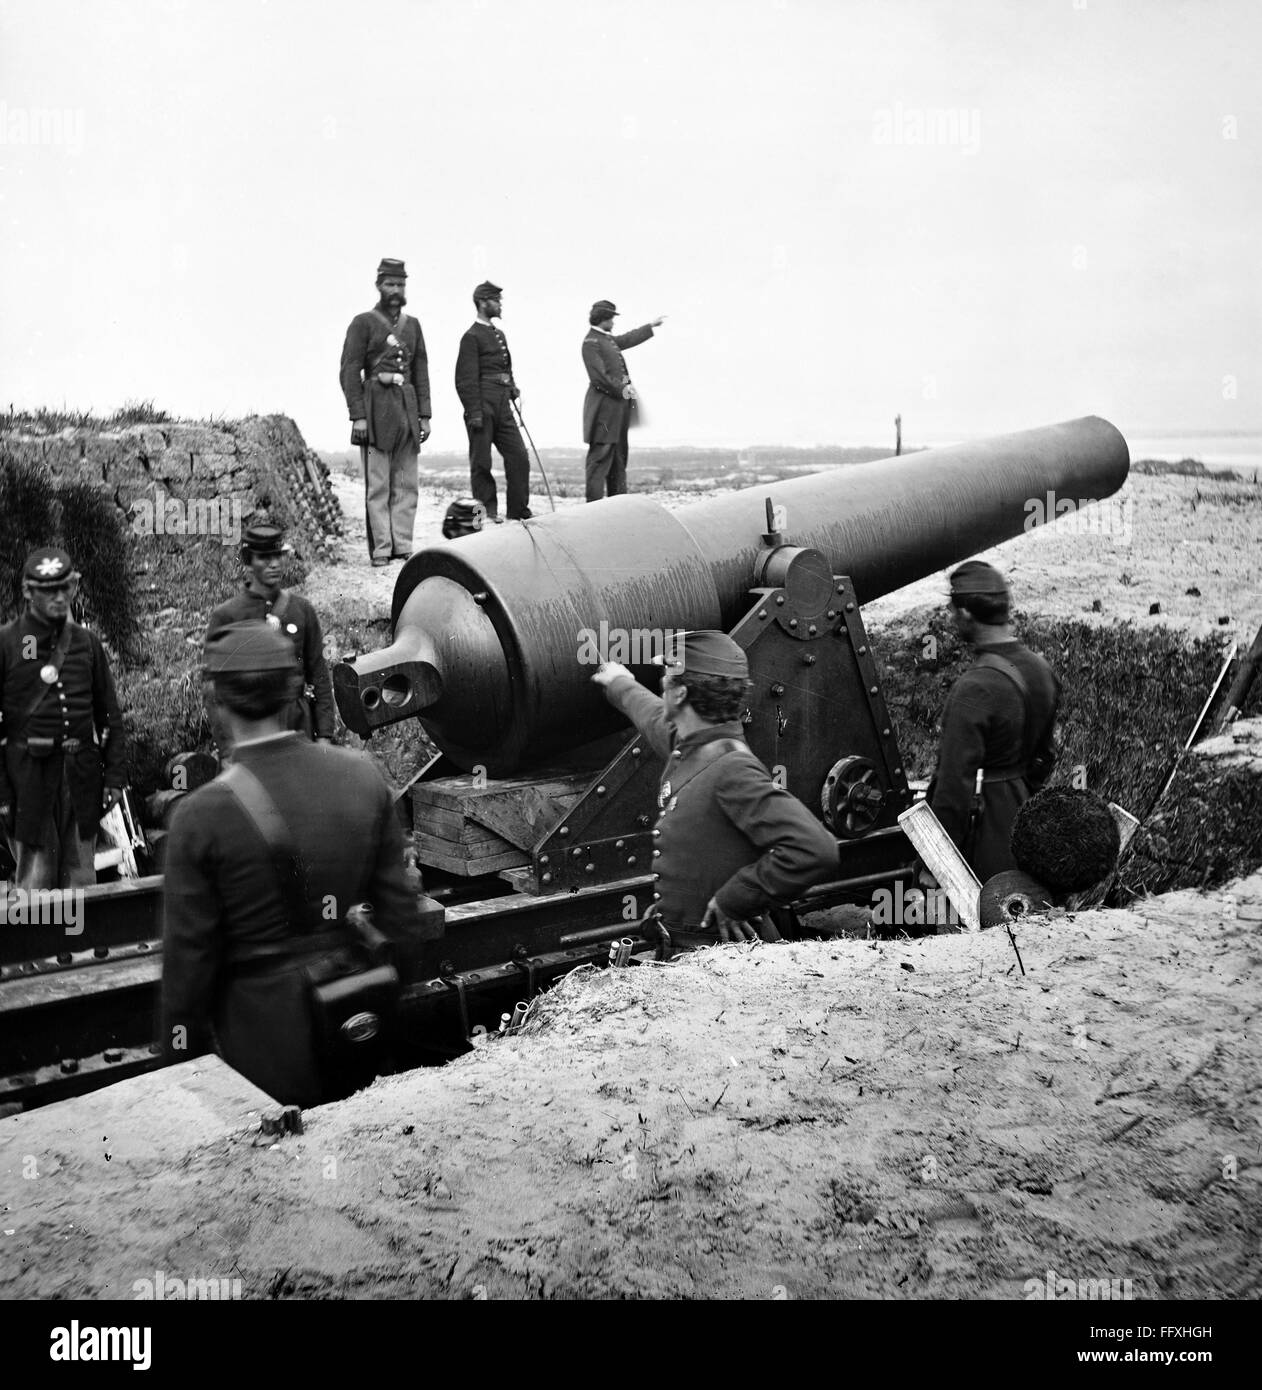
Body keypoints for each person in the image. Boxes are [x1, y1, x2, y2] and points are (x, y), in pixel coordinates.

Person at [160, 622, 421, 1107]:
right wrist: (380, 1000)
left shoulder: (200, 817)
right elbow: (402, 920)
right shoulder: (361, 777)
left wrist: (183, 1069)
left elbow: (187, 971)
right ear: (294, 694)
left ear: (215, 698)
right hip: (354, 1024)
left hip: (260, 1045)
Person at [591, 630, 838, 946]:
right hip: (688, 955)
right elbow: (654, 717)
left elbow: (816, 848)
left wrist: (735, 901)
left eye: (666, 679)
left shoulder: (733, 770)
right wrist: (619, 683)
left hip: (722, 964)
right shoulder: (696, 746)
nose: (662, 686)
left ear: (679, 695)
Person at [0, 548, 127, 891]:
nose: (59, 598)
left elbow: (109, 715)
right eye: (47, 590)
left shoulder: (88, 644)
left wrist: (114, 777)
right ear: (28, 592)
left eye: (64, 588)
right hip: (28, 782)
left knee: (81, 883)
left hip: (81, 779)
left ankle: (82, 946)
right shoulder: (8, 643)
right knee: (36, 888)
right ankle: (40, 946)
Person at [929, 560, 1060, 883]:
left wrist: (936, 862)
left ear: (966, 613)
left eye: (952, 611)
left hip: (983, 835)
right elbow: (1045, 756)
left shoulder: (974, 687)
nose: (951, 619)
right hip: (1027, 824)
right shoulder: (1041, 670)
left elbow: (953, 787)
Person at [206, 523, 335, 747]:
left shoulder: (301, 610)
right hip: (247, 731)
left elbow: (319, 674)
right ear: (248, 562)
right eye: (264, 558)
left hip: (298, 724)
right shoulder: (227, 615)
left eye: (278, 556)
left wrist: (324, 734)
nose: (274, 564)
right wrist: (227, 750)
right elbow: (212, 691)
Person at [339, 257, 432, 566]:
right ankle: (381, 548)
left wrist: (425, 415)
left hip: (407, 410)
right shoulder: (362, 323)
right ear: (379, 285)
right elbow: (350, 370)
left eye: (400, 284)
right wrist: (358, 416)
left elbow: (421, 370)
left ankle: (402, 545)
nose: (395, 290)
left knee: (407, 483)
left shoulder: (413, 326)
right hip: (376, 411)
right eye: (390, 284)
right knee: (379, 485)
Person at [454, 281, 532, 522]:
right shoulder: (471, 336)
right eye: (496, 300)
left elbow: (506, 368)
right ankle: (487, 511)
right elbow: (464, 379)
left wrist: (512, 387)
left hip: (502, 404)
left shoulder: (499, 335)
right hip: (481, 403)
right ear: (482, 302)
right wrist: (475, 412)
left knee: (519, 456)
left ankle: (518, 510)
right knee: (482, 462)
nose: (500, 305)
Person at [582, 300, 665, 502]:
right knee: (600, 458)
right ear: (602, 318)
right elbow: (598, 378)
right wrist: (623, 389)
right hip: (604, 411)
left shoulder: (606, 340)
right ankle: (592, 507)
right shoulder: (591, 342)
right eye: (611, 318)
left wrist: (650, 326)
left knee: (619, 459)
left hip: (617, 410)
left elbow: (628, 339)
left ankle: (617, 505)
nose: (613, 322)